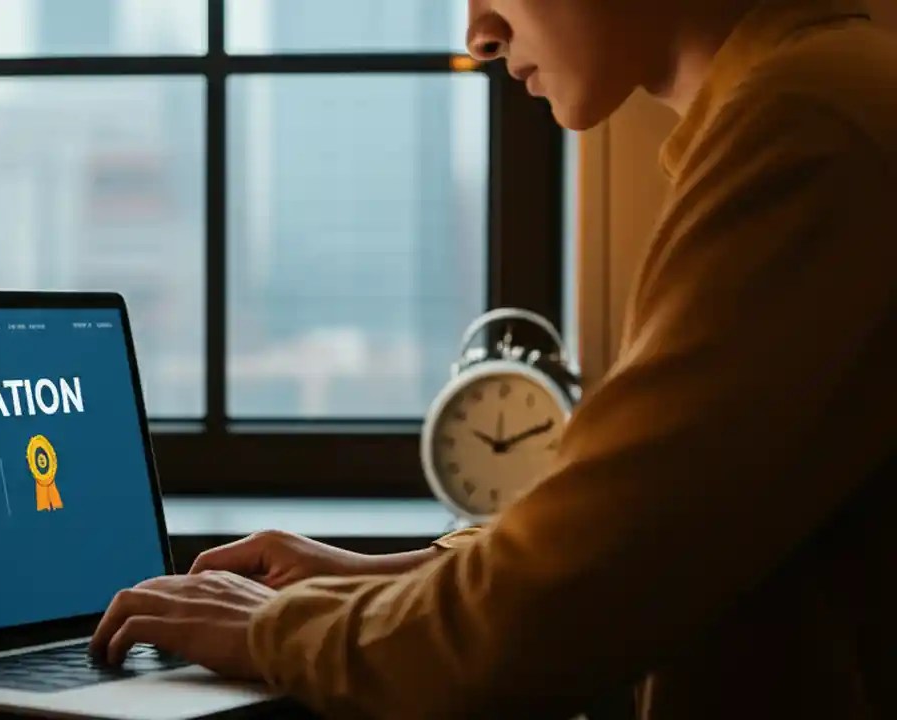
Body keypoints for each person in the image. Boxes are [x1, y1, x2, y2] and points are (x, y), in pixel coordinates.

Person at [90, 0, 897, 716]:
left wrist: (276, 631)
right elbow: (639, 535)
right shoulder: (813, 100)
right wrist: (379, 578)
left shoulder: (807, 129)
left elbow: (562, 613)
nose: (477, 33)